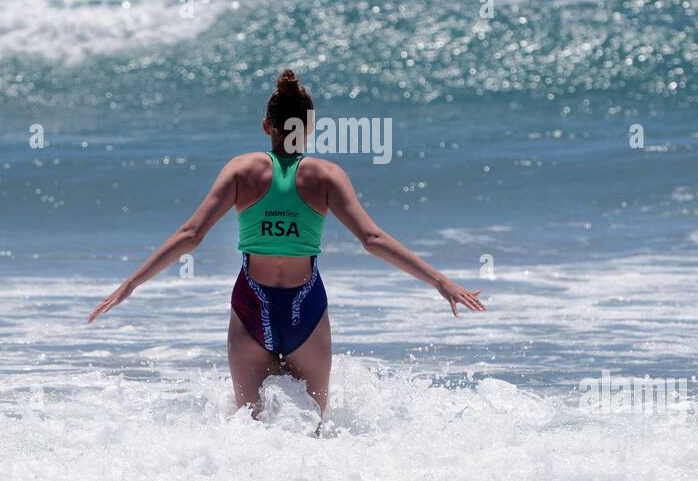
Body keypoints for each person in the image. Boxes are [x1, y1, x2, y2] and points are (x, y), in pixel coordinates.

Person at [87, 69, 486, 428]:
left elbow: (192, 234)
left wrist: (132, 283)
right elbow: (372, 240)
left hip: (251, 308)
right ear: (309, 127)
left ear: (267, 126)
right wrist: (439, 281)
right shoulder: (326, 175)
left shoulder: (242, 170)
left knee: (249, 436)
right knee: (312, 433)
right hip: (306, 310)